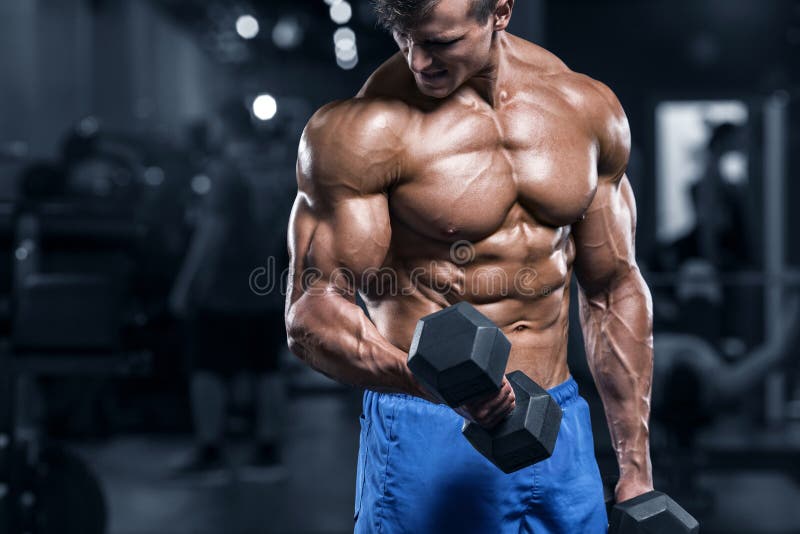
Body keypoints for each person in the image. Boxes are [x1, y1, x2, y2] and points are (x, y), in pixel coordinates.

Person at [286, 0, 653, 532]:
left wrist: (635, 467)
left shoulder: (584, 108)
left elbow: (613, 288)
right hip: (429, 426)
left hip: (562, 423)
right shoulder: (362, 129)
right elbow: (310, 312)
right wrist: (435, 386)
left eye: (441, 43)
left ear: (500, 12)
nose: (418, 61)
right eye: (406, 38)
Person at [170, 103, 287, 475]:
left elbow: (212, 232)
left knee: (208, 368)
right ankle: (268, 450)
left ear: (225, 127)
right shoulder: (276, 169)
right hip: (267, 284)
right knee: (266, 367)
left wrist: (187, 284)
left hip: (223, 286)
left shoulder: (225, 171)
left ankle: (210, 451)